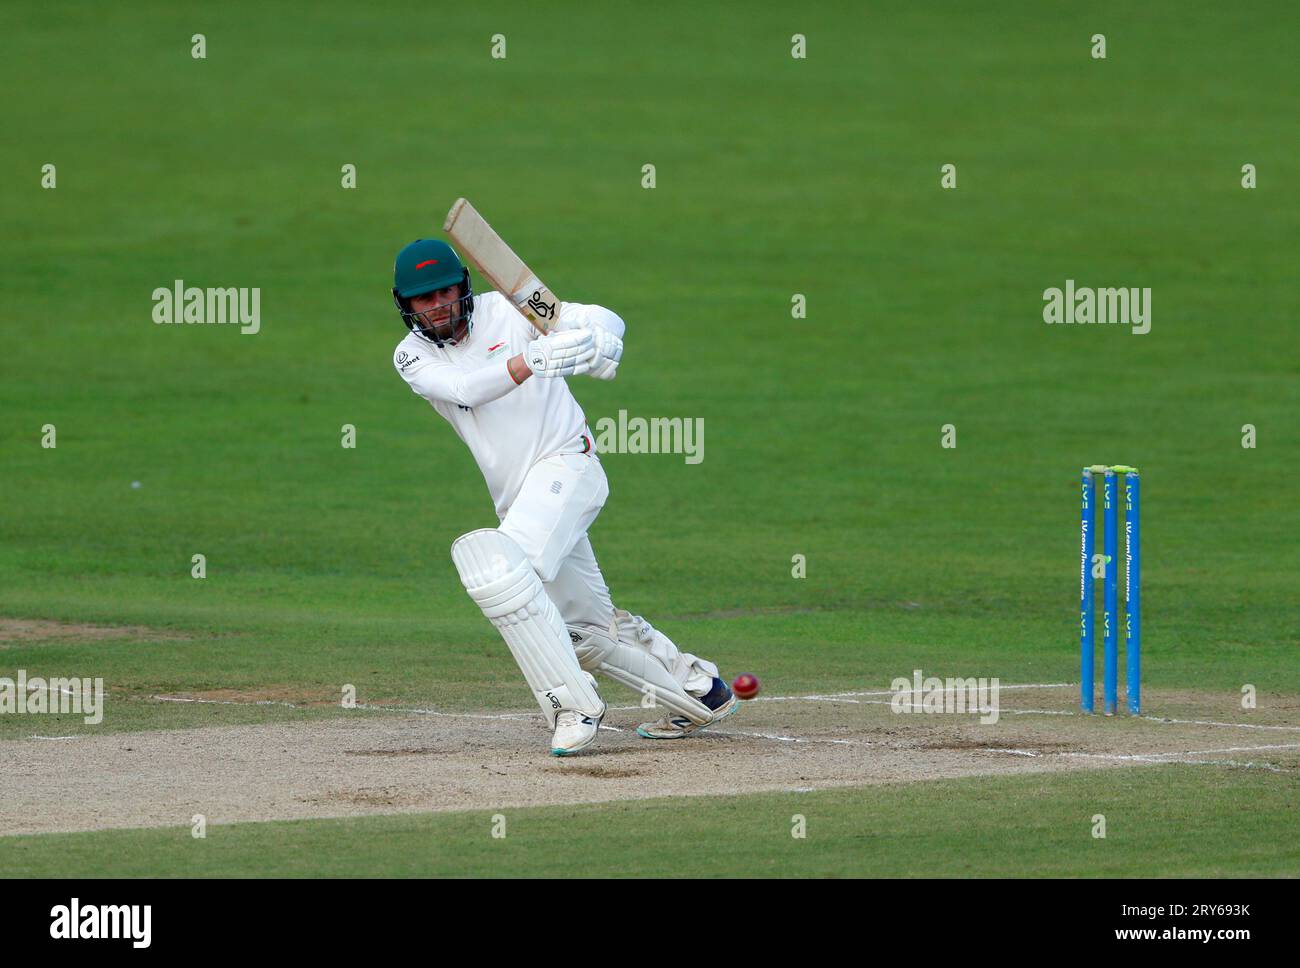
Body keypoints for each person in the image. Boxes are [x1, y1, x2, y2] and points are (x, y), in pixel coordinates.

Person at [390, 238, 739, 755]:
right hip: (518, 497)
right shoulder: (410, 355)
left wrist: (601, 337)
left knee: (505, 572)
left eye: (444, 292)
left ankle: (572, 707)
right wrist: (533, 358)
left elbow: (594, 316)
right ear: (405, 305)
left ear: (464, 287)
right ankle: (700, 690)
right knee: (587, 635)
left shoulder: (513, 308)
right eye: (423, 299)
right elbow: (467, 388)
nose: (436, 305)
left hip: (569, 466)